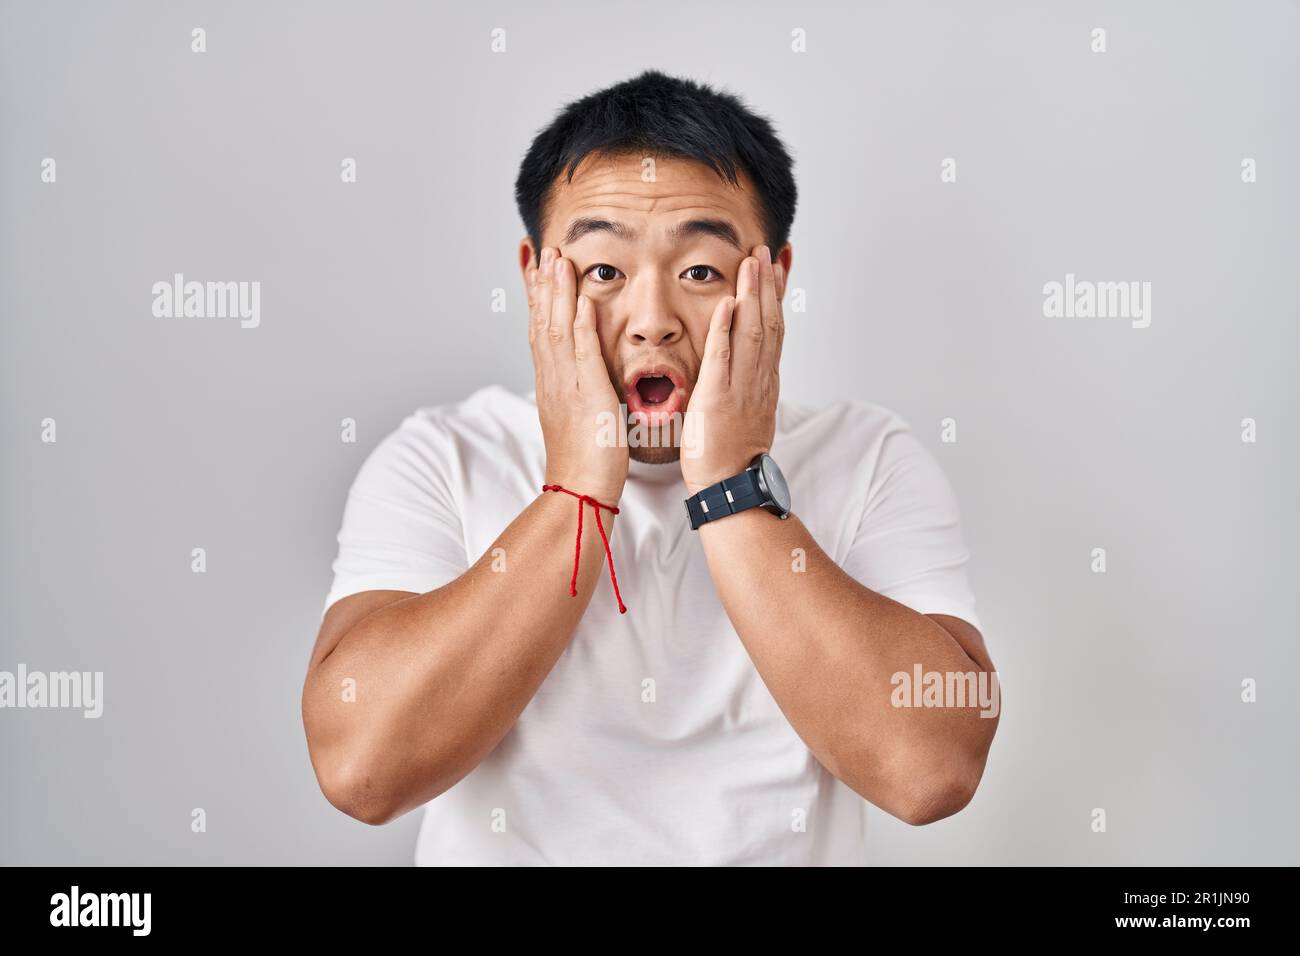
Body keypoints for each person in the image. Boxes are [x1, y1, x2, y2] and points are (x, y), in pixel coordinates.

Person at [301, 70, 999, 866]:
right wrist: (576, 488)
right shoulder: (442, 457)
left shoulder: (868, 457)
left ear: (775, 276)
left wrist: (730, 483)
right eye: (603, 271)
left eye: (700, 271)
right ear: (536, 277)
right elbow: (362, 771)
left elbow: (932, 771)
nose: (653, 322)